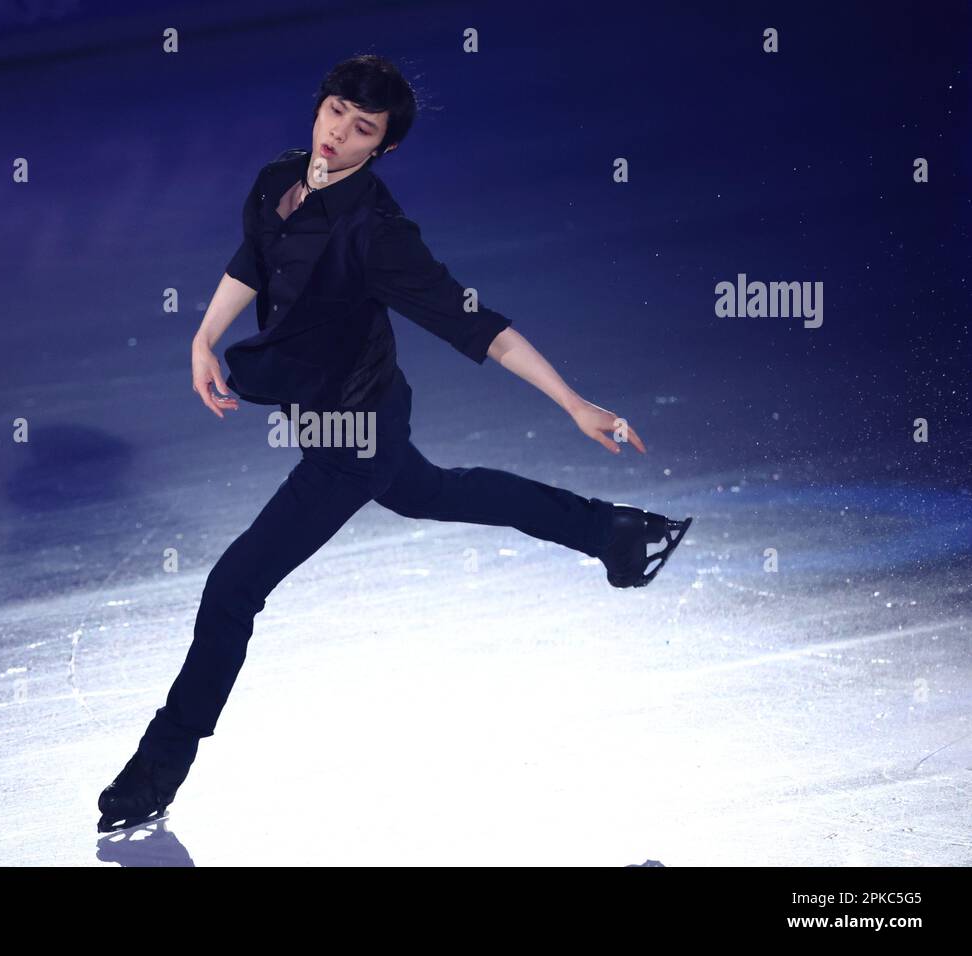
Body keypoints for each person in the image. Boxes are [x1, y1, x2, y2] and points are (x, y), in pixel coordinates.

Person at [97, 55, 692, 835]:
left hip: (356, 431)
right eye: (336, 111)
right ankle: (608, 529)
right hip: (330, 410)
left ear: (385, 149)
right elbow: (253, 258)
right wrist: (205, 337)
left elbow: (476, 324)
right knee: (433, 492)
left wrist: (575, 402)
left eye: (362, 128)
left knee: (234, 585)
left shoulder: (378, 233)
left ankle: (158, 766)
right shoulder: (280, 174)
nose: (339, 134)